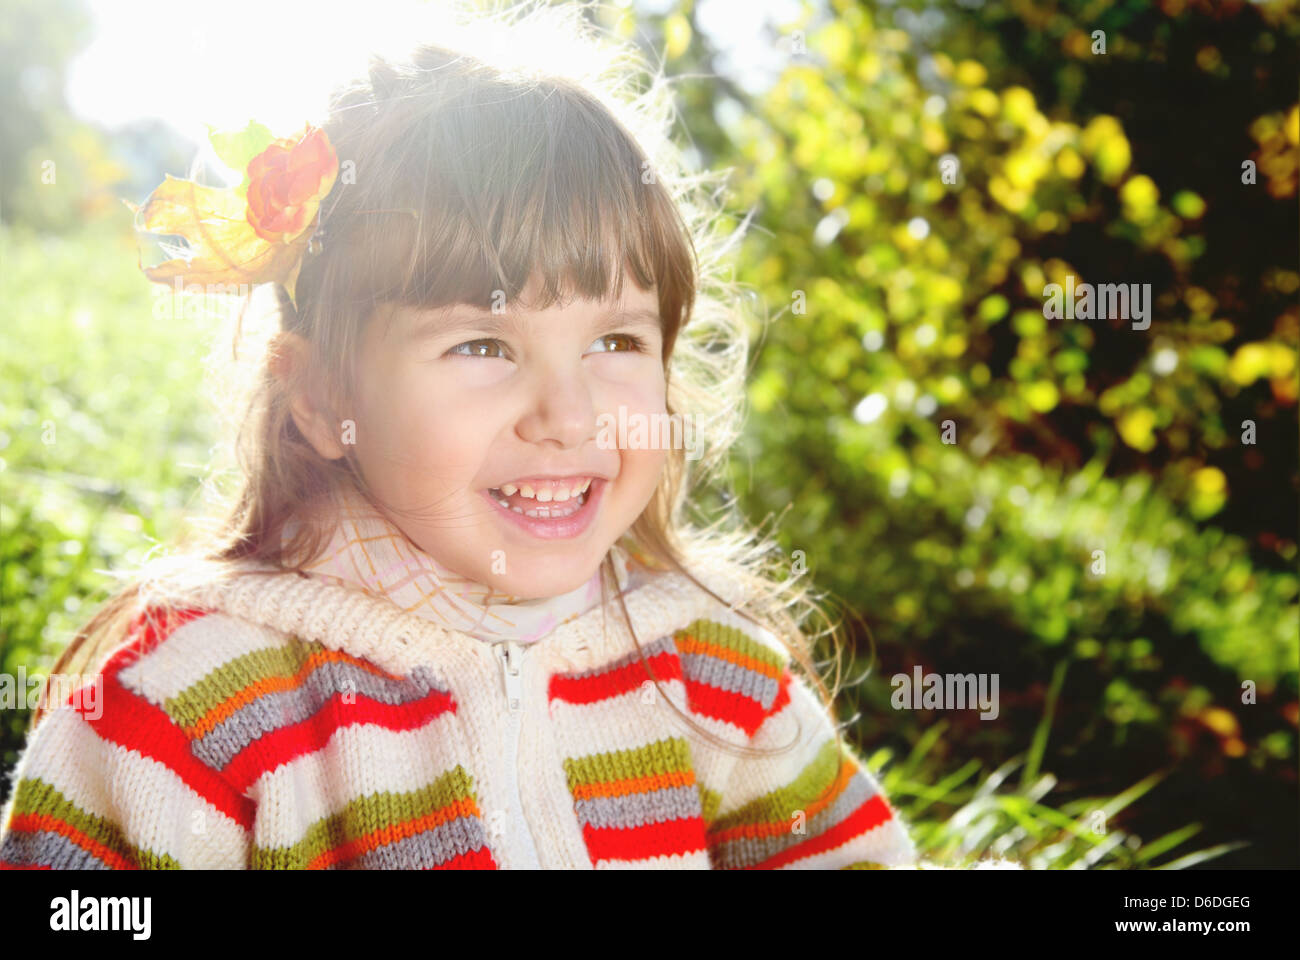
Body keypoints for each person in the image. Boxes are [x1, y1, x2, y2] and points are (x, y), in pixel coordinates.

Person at [0, 0, 916, 870]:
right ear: (318, 394)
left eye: (616, 340)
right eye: (483, 344)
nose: (569, 416)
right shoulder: (189, 700)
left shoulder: (712, 674)